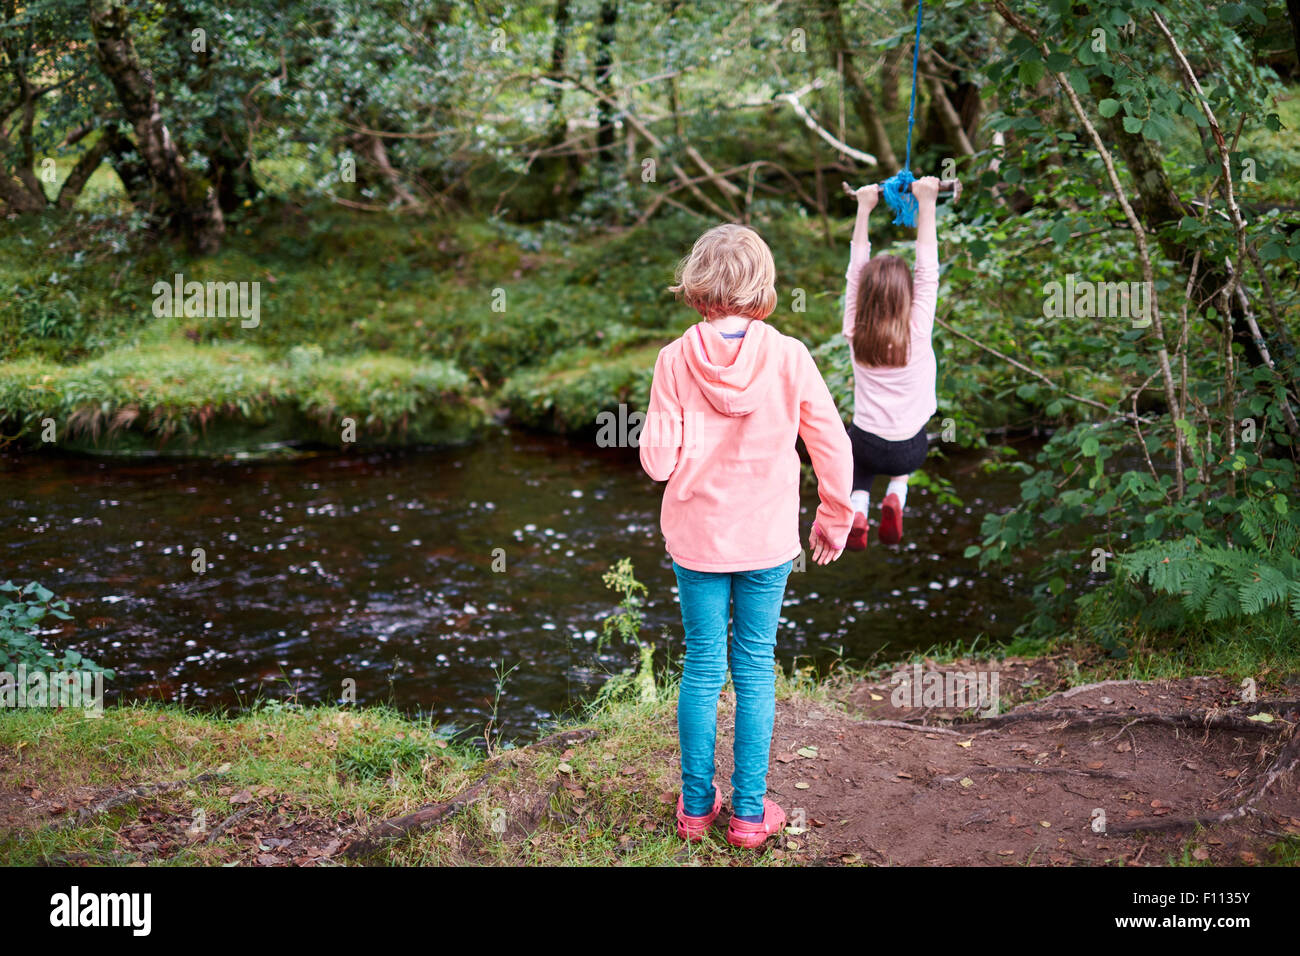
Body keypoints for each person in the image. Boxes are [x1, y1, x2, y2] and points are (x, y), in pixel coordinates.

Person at [639, 223, 853, 848]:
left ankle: (696, 809)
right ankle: (750, 815)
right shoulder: (790, 356)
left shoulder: (674, 359)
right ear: (761, 288)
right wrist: (833, 516)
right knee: (755, 666)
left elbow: (657, 461)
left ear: (699, 287)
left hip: (698, 541)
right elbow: (831, 444)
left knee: (703, 665)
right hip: (766, 541)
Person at [841, 176, 941, 549]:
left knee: (858, 464)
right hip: (909, 449)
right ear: (908, 296)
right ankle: (896, 494)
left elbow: (855, 274)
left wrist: (863, 208)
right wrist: (927, 203)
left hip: (865, 443)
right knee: (904, 463)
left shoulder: (854, 329)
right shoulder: (917, 328)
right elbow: (927, 271)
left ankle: (858, 507)